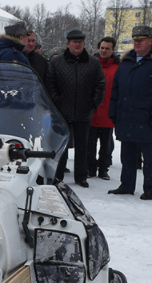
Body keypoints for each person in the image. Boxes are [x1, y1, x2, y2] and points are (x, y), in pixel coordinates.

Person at [107, 25, 152, 200]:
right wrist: (113, 111)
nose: (136, 43)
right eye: (135, 40)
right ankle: (127, 185)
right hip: (126, 115)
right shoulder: (127, 61)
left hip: (147, 117)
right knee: (127, 154)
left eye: (141, 40)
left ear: (150, 41)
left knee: (149, 156)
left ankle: (151, 188)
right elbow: (116, 89)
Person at [45, 29, 106, 187]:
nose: (77, 44)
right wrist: (57, 102)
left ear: (84, 43)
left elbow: (100, 84)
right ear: (68, 44)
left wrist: (93, 103)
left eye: (80, 42)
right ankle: (58, 175)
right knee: (61, 146)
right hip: (62, 112)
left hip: (84, 112)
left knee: (82, 146)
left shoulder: (93, 62)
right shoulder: (57, 63)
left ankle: (81, 176)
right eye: (74, 42)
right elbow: (50, 85)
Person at [88, 36, 118, 180]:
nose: (104, 51)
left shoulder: (118, 68)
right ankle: (90, 168)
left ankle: (103, 169)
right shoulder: (90, 64)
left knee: (106, 145)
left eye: (107, 48)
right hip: (92, 112)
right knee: (90, 144)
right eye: (102, 48)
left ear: (113, 50)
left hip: (108, 112)